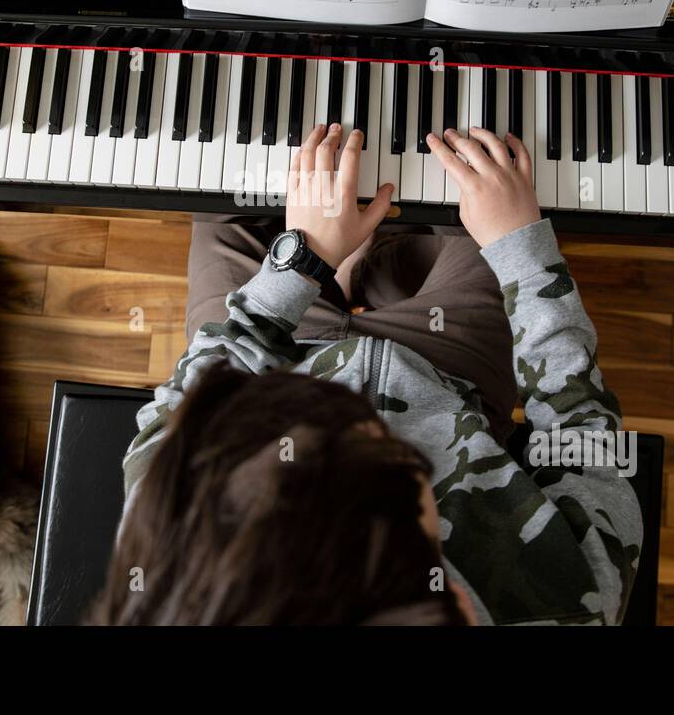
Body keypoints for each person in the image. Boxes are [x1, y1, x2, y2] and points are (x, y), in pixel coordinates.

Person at [88, 122, 643, 625]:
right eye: (413, 510)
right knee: (489, 174)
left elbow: (190, 399)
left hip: (271, 358)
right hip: (450, 376)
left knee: (221, 176)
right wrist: (522, 252)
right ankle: (377, 268)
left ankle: (360, 268)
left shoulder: (169, 553)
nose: (370, 426)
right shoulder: (573, 608)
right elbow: (580, 439)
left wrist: (302, 263)